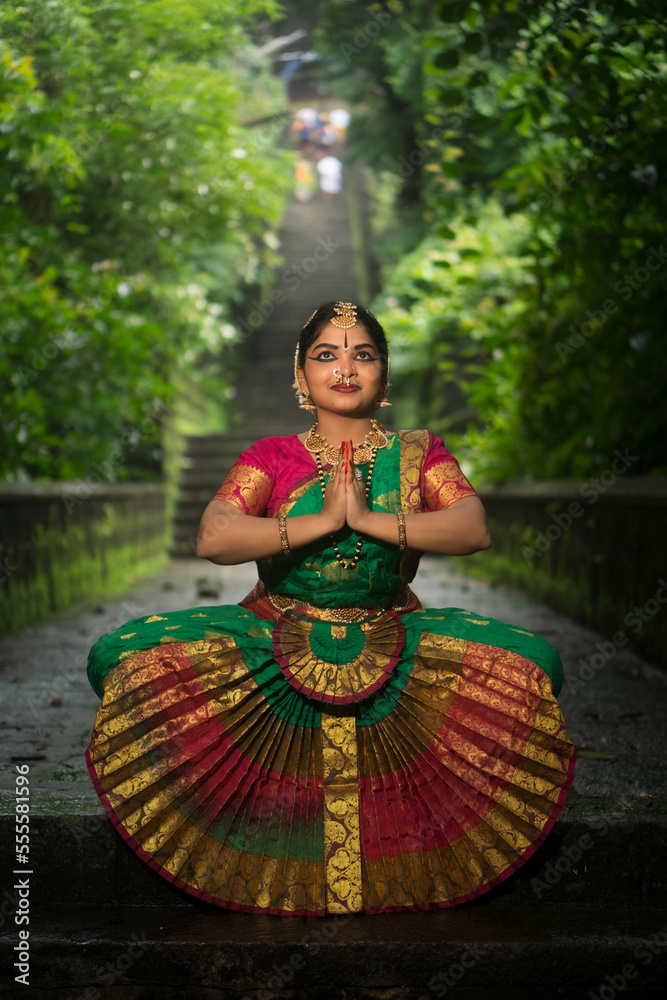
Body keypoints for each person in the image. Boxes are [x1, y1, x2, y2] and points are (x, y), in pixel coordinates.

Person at [86, 300, 575, 917]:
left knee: (534, 665)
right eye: (326, 354)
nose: (345, 368)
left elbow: (471, 527)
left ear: (385, 373)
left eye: (362, 354)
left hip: (391, 627)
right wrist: (319, 522)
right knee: (123, 656)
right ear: (300, 373)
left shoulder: (419, 453)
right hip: (276, 629)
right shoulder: (272, 455)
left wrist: (370, 519)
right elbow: (214, 536)